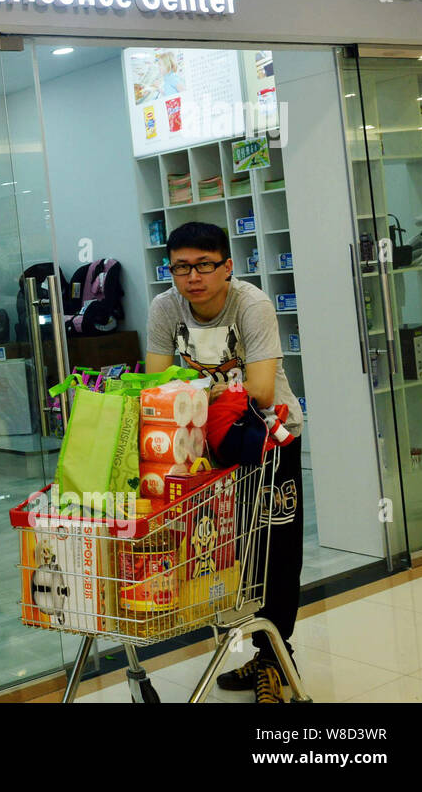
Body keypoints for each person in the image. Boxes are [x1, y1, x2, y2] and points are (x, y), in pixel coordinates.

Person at [144, 221, 303, 704]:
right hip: (199, 448)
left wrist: (189, 391)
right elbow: (154, 388)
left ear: (227, 267)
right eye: (181, 267)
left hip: (267, 440)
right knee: (225, 552)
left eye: (205, 265)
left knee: (274, 552)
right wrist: (196, 396)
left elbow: (258, 389)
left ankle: (276, 657)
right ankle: (261, 649)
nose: (193, 277)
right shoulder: (164, 308)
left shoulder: (250, 304)